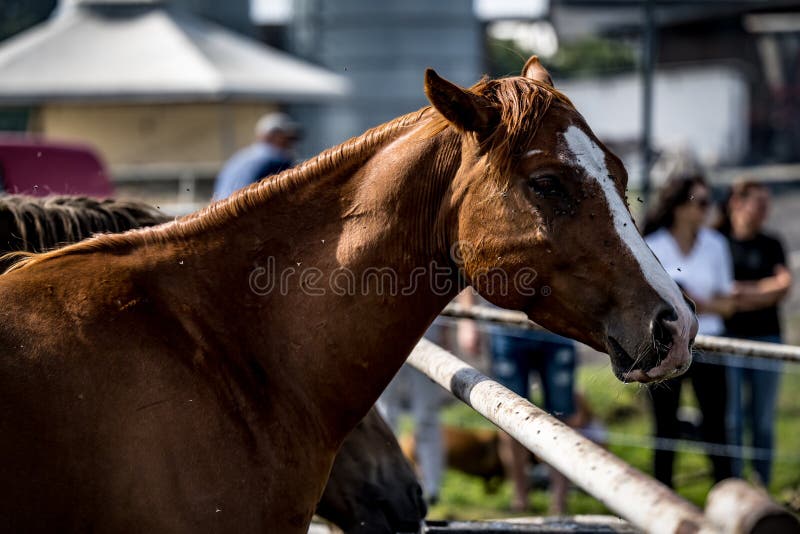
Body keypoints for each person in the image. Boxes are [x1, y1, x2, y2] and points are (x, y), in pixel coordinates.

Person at [643, 174, 735, 488]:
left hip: (709, 343)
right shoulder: (652, 246)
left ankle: (727, 494)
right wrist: (694, 304)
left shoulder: (716, 245)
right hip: (663, 345)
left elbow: (728, 305)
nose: (708, 209)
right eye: (702, 202)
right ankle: (660, 497)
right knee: (664, 427)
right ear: (680, 207)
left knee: (716, 426)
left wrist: (687, 301)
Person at [717, 180, 792, 486]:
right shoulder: (717, 241)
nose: (765, 210)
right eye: (758, 203)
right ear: (737, 202)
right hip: (727, 340)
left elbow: (783, 286)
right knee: (732, 418)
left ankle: (762, 482)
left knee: (762, 419)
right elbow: (718, 292)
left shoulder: (771, 242)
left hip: (767, 339)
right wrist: (761, 292)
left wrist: (740, 295)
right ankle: (734, 483)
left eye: (767, 203)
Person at [377, 321, 447, 505]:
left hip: (428, 328)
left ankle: (431, 489)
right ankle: (386, 482)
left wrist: (444, 331)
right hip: (386, 326)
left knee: (426, 415)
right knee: (385, 413)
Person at [213, 112, 301, 200]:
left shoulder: (238, 157)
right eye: (288, 139)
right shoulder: (277, 160)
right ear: (272, 136)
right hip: (249, 211)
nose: (291, 144)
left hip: (221, 210)